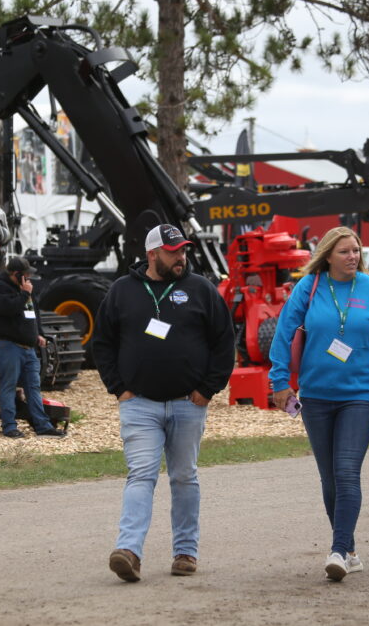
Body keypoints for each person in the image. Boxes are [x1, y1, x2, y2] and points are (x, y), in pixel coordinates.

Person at [93, 223, 234, 582]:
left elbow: (223, 343)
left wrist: (208, 390)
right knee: (141, 474)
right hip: (139, 404)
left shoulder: (201, 289)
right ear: (152, 254)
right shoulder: (122, 291)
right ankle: (128, 551)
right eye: (174, 251)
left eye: (184, 250)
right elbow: (103, 343)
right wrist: (118, 388)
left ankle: (185, 552)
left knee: (184, 477)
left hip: (189, 404)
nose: (181, 257)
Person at [269, 226, 369, 582]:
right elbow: (284, 332)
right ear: (328, 255)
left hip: (358, 396)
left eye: (356, 251)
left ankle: (337, 550)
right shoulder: (309, 287)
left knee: (346, 470)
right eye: (345, 251)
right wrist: (280, 381)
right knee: (329, 477)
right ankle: (350, 549)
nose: (353, 257)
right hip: (315, 396)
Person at [0, 256, 67, 439]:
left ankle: (42, 425)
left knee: (33, 386)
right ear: (16, 275)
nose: (28, 279)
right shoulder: (1, 288)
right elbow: (7, 309)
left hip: (27, 346)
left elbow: (33, 315)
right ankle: (9, 427)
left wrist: (38, 334)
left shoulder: (26, 292)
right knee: (8, 385)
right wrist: (24, 294)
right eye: (25, 276)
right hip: (8, 345)